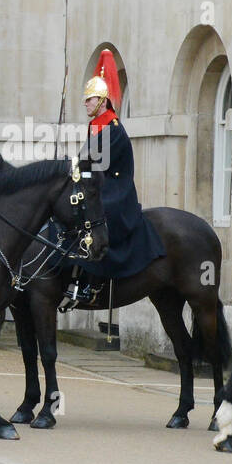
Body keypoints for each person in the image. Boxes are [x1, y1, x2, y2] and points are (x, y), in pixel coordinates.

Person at [63, 50, 166, 308]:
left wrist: (75, 166)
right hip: (98, 187)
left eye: (90, 99)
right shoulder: (98, 125)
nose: (86, 103)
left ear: (103, 101)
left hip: (116, 192)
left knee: (95, 218)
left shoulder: (114, 129)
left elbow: (94, 163)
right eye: (86, 99)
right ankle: (72, 277)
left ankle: (92, 282)